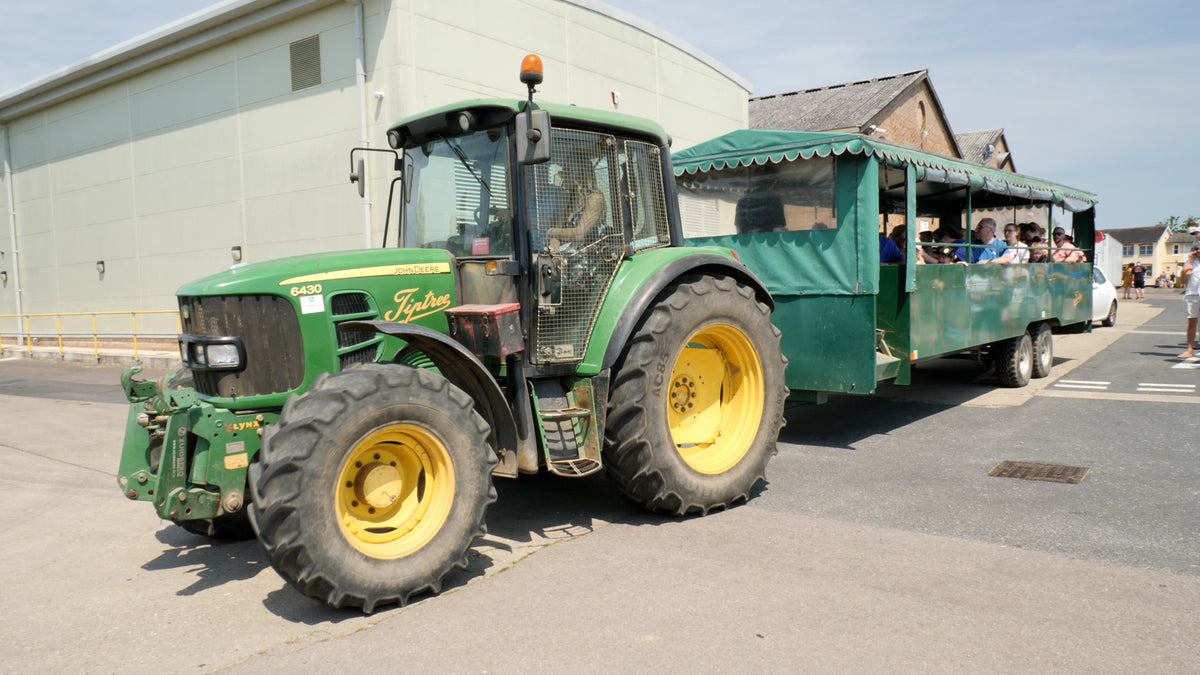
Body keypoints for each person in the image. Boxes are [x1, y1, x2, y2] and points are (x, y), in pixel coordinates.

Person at [545, 157, 606, 248]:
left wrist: (551, 232)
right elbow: (559, 230)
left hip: (590, 256)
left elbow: (579, 233)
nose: (562, 177)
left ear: (578, 174)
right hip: (568, 255)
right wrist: (555, 251)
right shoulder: (570, 200)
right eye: (562, 173)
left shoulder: (595, 198)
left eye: (565, 173)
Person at [1179, 228, 1200, 358]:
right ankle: (1189, 350)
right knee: (1192, 322)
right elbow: (1183, 280)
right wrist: (1186, 266)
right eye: (1196, 249)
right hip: (1192, 294)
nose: (1198, 251)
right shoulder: (1192, 263)